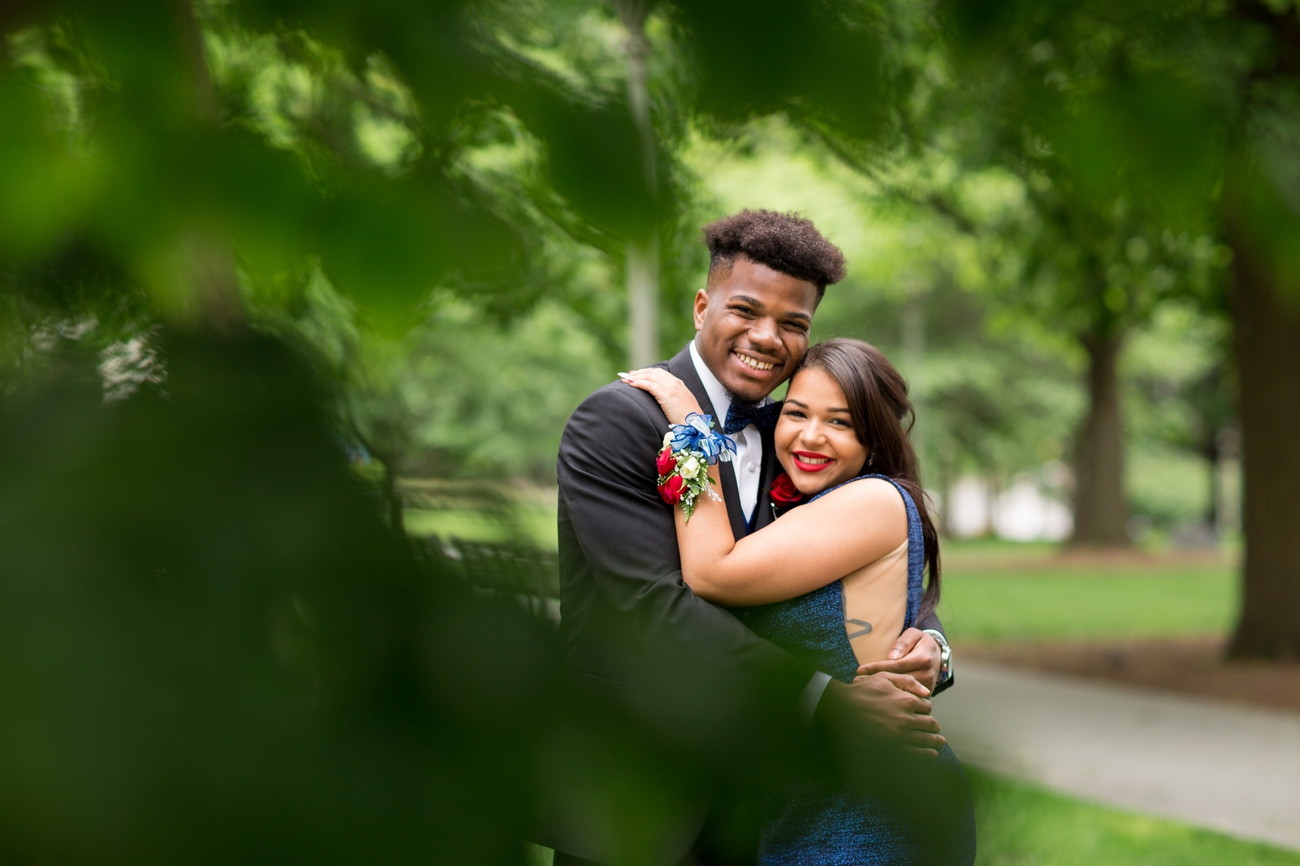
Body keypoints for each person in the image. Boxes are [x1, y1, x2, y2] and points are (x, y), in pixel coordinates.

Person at [553, 210, 954, 865]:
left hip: (762, 806)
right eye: (745, 310)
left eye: (793, 323)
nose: (767, 337)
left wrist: (930, 645)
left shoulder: (794, 432)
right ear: (701, 306)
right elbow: (652, 605)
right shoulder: (619, 421)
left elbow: (862, 553)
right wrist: (823, 696)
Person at [621, 338, 976, 864]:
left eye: (840, 422)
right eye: (796, 413)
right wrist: (934, 644)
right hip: (805, 800)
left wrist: (691, 428)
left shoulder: (872, 501)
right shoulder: (807, 502)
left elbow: (712, 572)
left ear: (874, 437)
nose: (811, 436)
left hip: (868, 808)